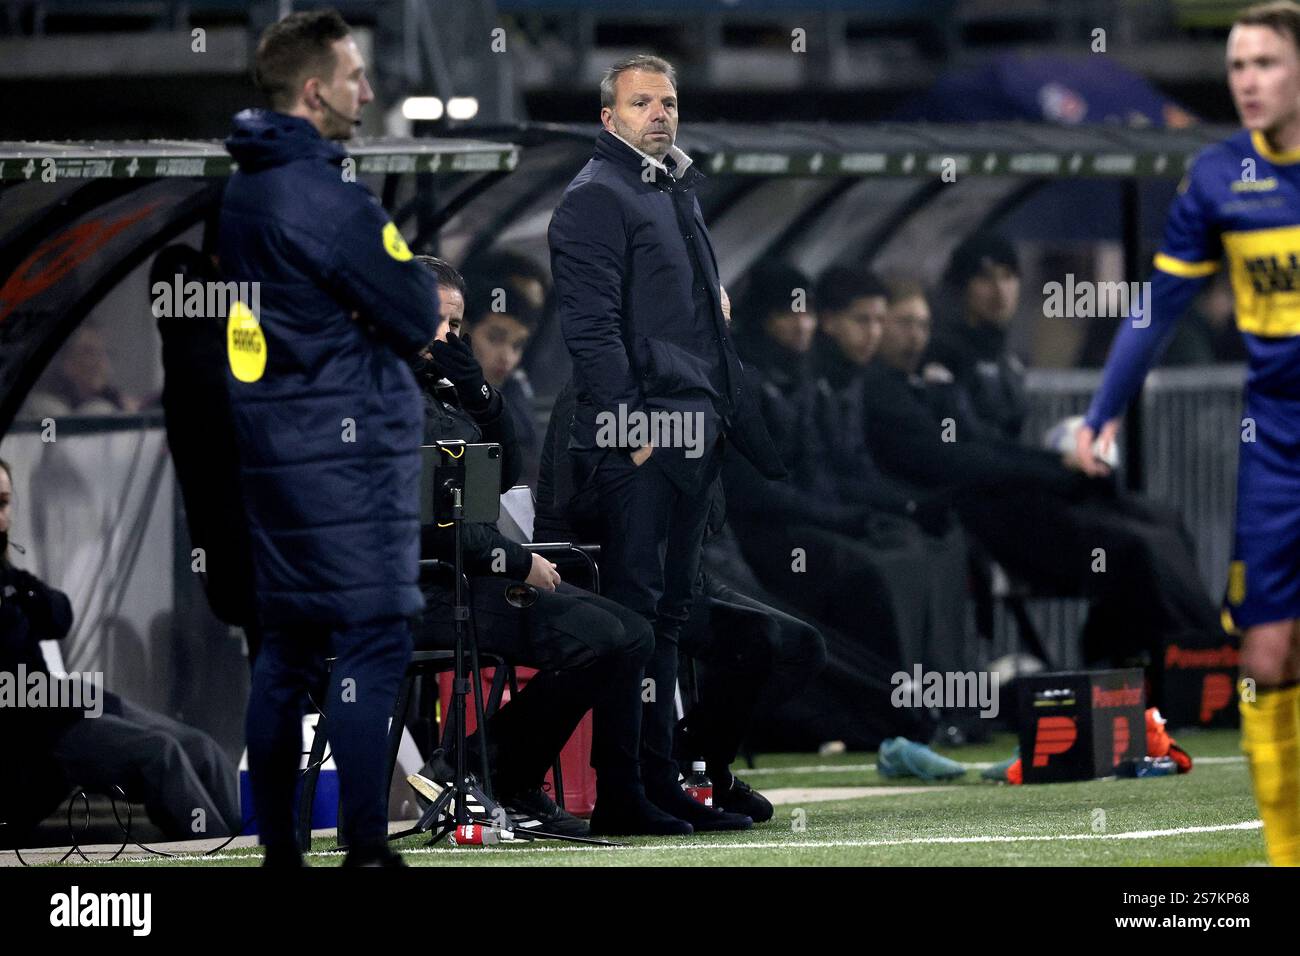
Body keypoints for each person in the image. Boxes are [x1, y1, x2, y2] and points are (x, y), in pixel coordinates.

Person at [1076, 0, 1300, 866]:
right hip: (1277, 435)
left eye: (1267, 64)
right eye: (1237, 65)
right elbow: (1156, 309)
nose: (1247, 81)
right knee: (1269, 647)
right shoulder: (1217, 177)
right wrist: (1101, 412)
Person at [218, 9, 440, 867]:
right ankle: (362, 847)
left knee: (286, 652)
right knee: (374, 639)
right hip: (350, 461)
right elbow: (419, 310)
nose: (369, 90)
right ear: (315, 91)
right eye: (354, 77)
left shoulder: (242, 192)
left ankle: (279, 853)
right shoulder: (327, 199)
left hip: (277, 458)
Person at [548, 53, 785, 833]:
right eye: (642, 101)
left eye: (670, 101)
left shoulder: (671, 188)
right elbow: (592, 332)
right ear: (607, 118)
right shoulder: (596, 197)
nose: (661, 113)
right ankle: (622, 793)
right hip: (642, 444)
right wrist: (635, 430)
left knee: (670, 617)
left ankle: (657, 780)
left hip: (694, 435)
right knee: (637, 617)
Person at [861, 278, 1230, 707]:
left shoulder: (930, 385)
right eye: (903, 323)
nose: (916, 336)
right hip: (986, 517)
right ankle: (1199, 661)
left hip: (1014, 498)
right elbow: (957, 461)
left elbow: (981, 446)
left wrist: (1062, 468)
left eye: (921, 324)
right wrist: (1054, 473)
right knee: (1137, 545)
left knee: (1159, 517)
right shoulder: (884, 392)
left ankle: (1203, 652)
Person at [406, 257, 678, 837]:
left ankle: (490, 770)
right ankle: (483, 770)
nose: (447, 339)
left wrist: (482, 395)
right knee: (613, 639)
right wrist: (518, 560)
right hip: (424, 587)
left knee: (628, 632)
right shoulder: (390, 393)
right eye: (436, 323)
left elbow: (500, 480)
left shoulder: (445, 389)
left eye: (457, 327)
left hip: (470, 571)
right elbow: (440, 525)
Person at [0, 458, 239, 845]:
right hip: (34, 722)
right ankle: (215, 851)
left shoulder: (11, 577)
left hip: (67, 699)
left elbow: (59, 614)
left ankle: (251, 847)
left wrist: (22, 599)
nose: (4, 516)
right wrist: (21, 606)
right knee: (163, 755)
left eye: (7, 503)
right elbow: (12, 639)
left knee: (202, 748)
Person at [461, 283, 541, 485]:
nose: (507, 357)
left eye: (517, 345)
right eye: (495, 338)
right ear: (463, 329)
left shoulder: (515, 392)